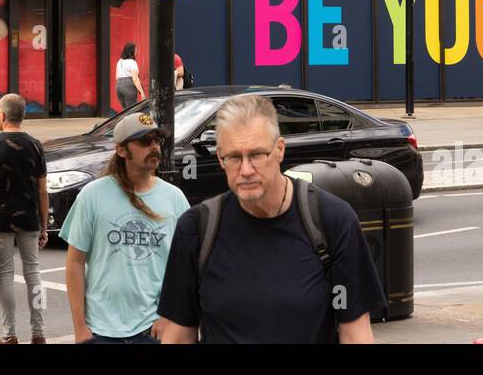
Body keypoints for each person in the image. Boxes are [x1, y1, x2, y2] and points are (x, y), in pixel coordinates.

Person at [158, 94, 384, 343]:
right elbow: (178, 336)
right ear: (220, 157)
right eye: (233, 157)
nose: (245, 170)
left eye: (256, 155)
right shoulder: (196, 229)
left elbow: (355, 334)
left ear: (279, 150)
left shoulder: (333, 221)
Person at [61, 111, 189, 344]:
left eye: (156, 140)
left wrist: (168, 318)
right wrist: (80, 328)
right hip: (100, 331)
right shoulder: (93, 195)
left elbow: (185, 268)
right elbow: (75, 262)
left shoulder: (175, 198)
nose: (154, 147)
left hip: (153, 330)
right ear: (122, 150)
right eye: (144, 141)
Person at [0, 94, 49, 343]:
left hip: (0, 218)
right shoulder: (35, 145)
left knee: (6, 274)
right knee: (34, 272)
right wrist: (44, 224)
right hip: (29, 217)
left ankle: (9, 333)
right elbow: (42, 189)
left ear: (2, 115)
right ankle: (38, 332)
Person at [115, 43, 144, 111]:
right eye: (135, 50)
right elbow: (135, 79)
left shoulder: (120, 61)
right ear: (132, 51)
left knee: (125, 111)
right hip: (129, 86)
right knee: (132, 110)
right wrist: (142, 92)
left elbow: (116, 77)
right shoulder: (132, 62)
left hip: (118, 86)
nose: (136, 52)